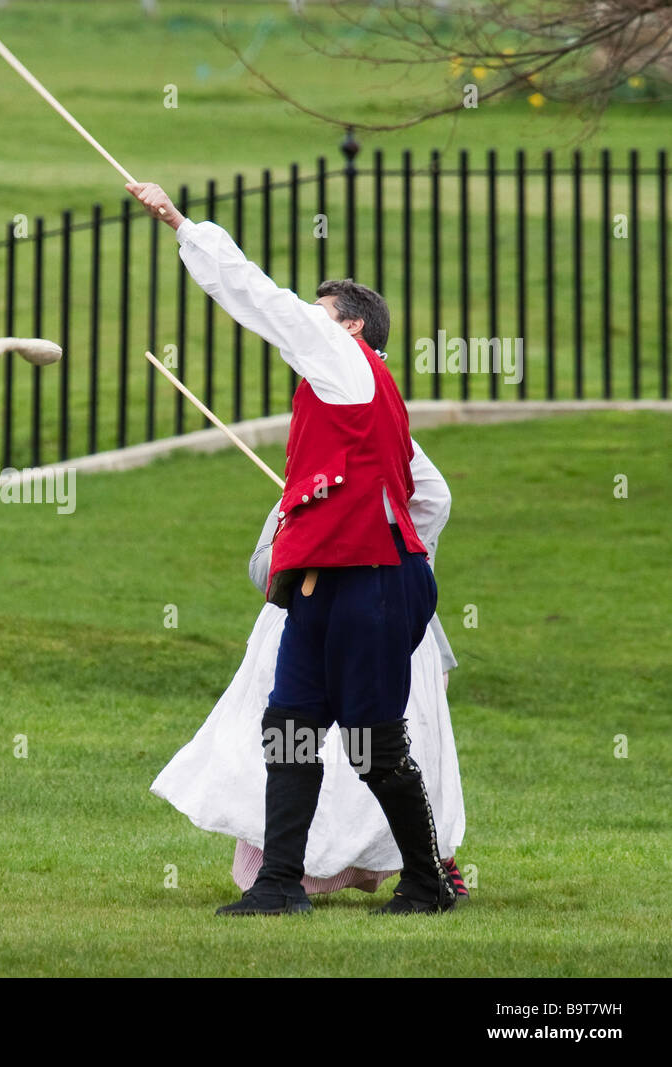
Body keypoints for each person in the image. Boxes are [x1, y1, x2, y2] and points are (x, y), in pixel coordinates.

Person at [128, 179, 457, 915]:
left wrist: (184, 226)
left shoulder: (348, 367)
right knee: (291, 726)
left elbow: (262, 301)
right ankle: (278, 882)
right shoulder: (337, 382)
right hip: (321, 583)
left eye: (319, 317)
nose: (303, 324)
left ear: (347, 330)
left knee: (373, 741)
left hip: (373, 580)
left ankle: (428, 881)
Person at [151, 439, 469, 902]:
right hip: (303, 632)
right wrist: (299, 540)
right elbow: (262, 568)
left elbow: (433, 512)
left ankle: (431, 867)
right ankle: (279, 878)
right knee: (288, 740)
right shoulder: (304, 484)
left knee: (383, 752)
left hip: (386, 638)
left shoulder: (404, 481)